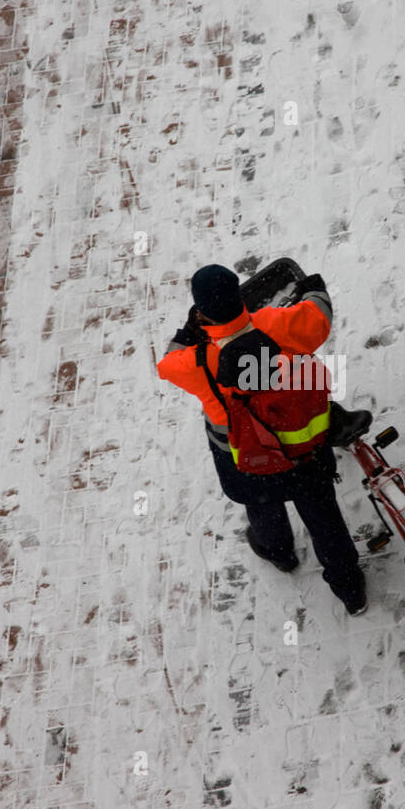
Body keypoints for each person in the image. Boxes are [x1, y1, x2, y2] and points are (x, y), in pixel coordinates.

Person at [157, 263, 372, 615]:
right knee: (324, 519)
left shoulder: (196, 361)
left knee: (262, 507)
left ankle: (280, 553)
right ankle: (350, 590)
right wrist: (314, 287)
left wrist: (190, 329)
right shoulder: (279, 325)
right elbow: (320, 313)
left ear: (202, 310)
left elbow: (166, 363)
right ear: (240, 297)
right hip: (306, 454)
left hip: (247, 462)